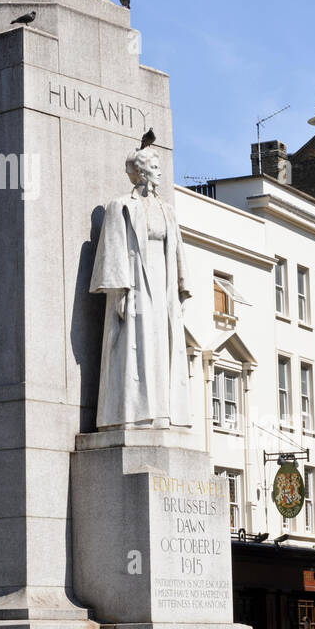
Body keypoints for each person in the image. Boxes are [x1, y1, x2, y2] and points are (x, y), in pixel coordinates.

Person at [90, 143, 192, 429]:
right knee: (137, 345)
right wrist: (120, 289)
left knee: (162, 346)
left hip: (164, 286)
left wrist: (182, 285)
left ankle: (162, 412)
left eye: (158, 165)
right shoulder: (120, 206)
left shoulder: (166, 210)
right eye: (151, 165)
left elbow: (178, 251)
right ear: (138, 171)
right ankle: (133, 414)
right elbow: (112, 250)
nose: (158, 170)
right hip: (136, 282)